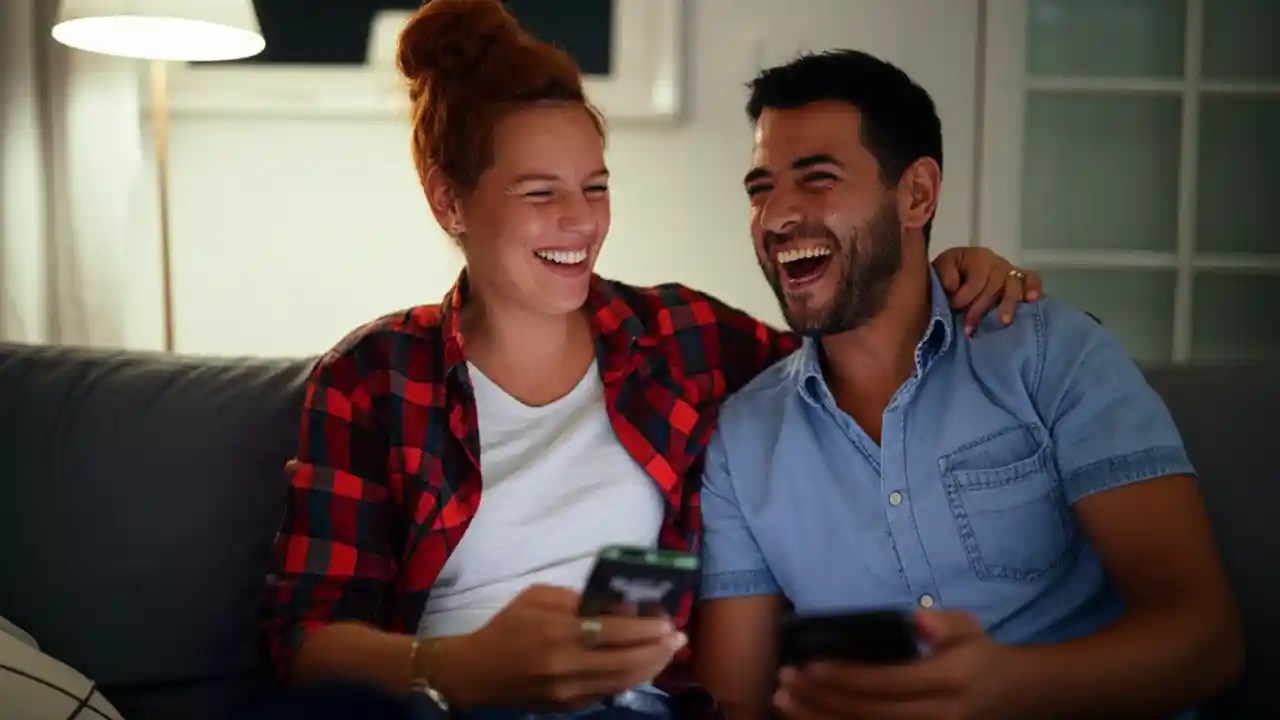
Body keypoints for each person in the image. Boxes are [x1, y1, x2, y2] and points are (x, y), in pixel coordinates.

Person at [258, 3, 1042, 718]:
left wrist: (943, 270)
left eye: (594, 188)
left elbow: (853, 355)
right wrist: (462, 666)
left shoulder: (683, 338)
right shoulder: (375, 377)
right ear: (449, 201)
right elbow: (306, 639)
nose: (579, 221)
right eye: (540, 193)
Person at [693, 49, 1245, 720]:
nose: (776, 216)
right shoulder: (744, 439)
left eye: (817, 179)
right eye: (760, 188)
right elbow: (734, 705)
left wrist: (1004, 687)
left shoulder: (1049, 356)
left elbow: (1206, 640)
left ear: (917, 195)